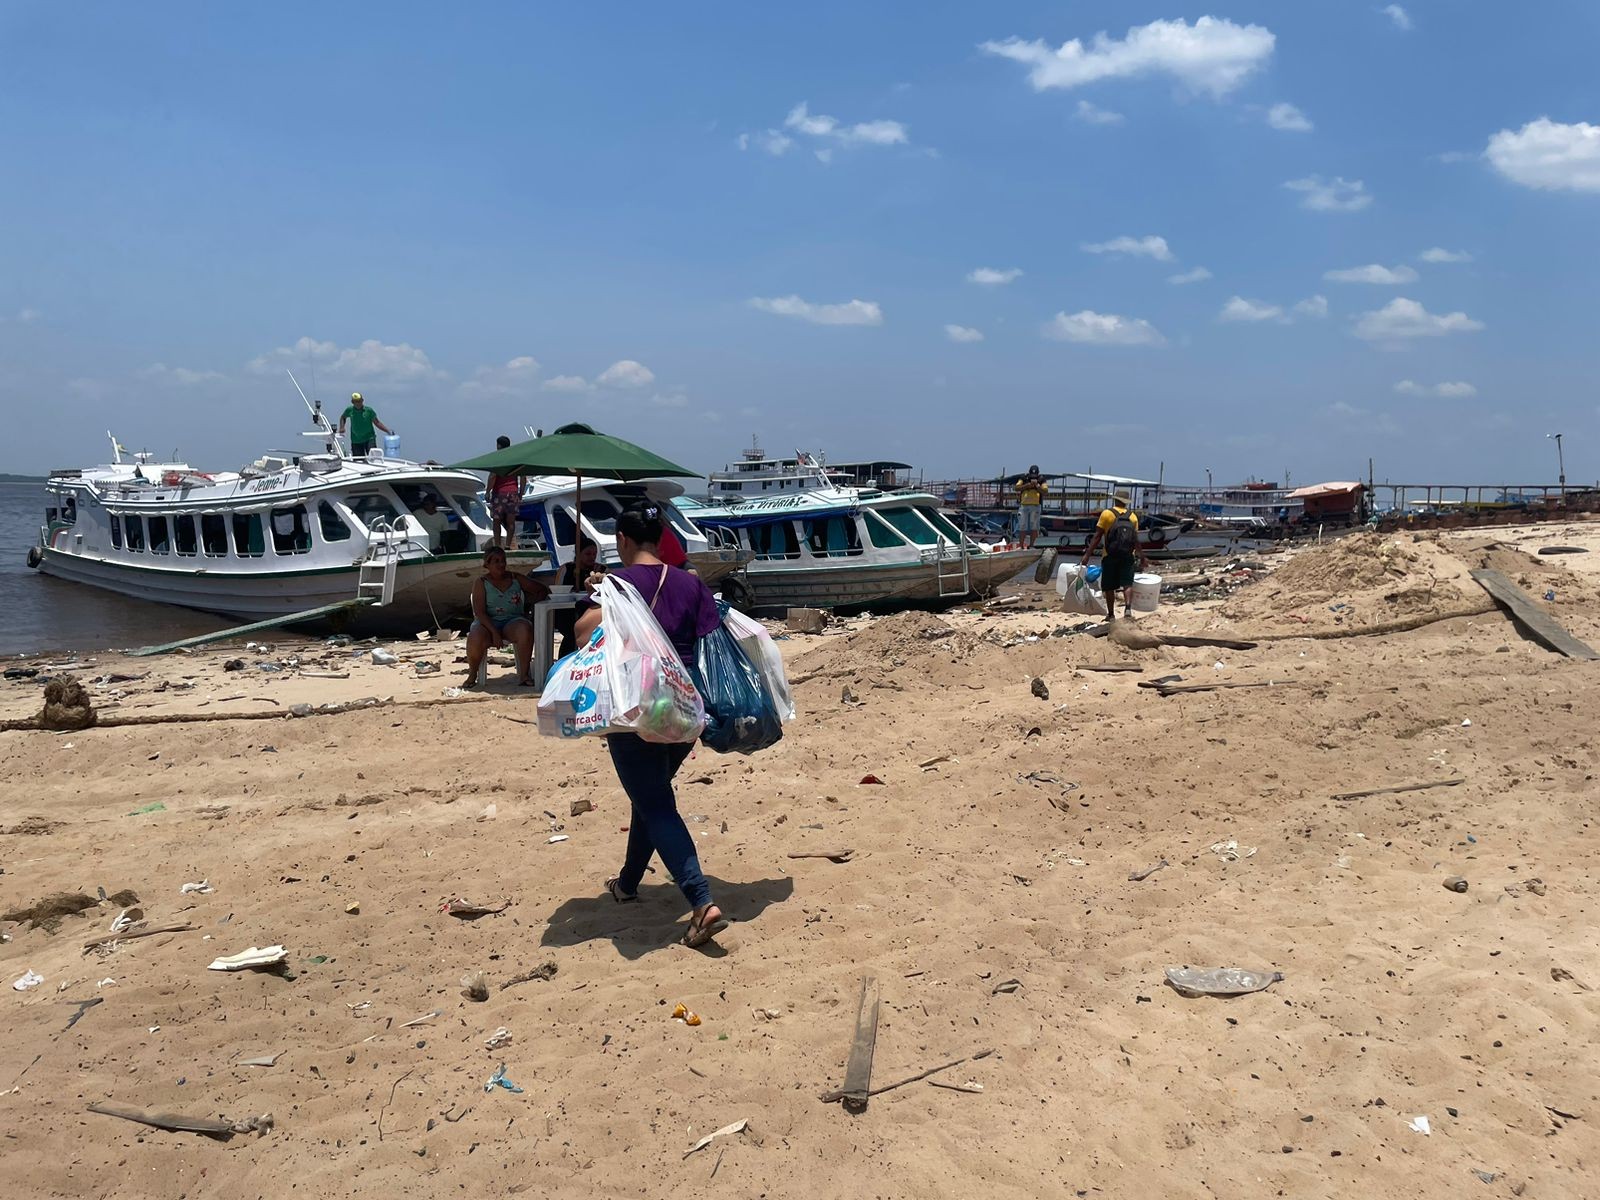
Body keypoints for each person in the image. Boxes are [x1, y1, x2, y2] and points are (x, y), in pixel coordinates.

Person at [572, 502, 725, 948]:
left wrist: (604, 597)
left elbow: (583, 634)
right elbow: (706, 634)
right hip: (681, 708)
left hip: (636, 708)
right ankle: (628, 883)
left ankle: (701, 903)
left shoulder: (617, 584)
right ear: (659, 538)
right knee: (651, 794)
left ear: (621, 540)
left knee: (655, 802)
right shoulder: (690, 583)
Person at [463, 546, 549, 688]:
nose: (501, 564)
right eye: (496, 561)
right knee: (475, 635)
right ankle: (473, 674)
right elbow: (479, 612)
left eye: (503, 560)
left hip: (512, 621)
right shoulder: (481, 582)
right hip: (487, 623)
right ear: (487, 564)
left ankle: (524, 675)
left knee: (525, 628)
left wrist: (529, 607)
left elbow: (541, 590)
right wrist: (494, 632)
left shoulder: (515, 578)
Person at [1080, 493, 1149, 620]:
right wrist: (1142, 557)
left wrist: (1087, 555)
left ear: (1115, 500)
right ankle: (1127, 609)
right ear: (1126, 502)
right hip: (1128, 555)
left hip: (1109, 555)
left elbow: (1097, 536)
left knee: (1109, 586)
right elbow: (1135, 540)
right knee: (1127, 584)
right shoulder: (1133, 517)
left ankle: (1111, 614)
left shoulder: (1107, 514)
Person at [553, 536, 602, 659]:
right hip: (567, 613)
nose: (592, 557)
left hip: (591, 611)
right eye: (588, 554)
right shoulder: (566, 569)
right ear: (578, 554)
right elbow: (558, 590)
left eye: (594, 554)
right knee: (570, 634)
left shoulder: (601, 571)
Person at [486, 435, 524, 548]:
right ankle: (507, 545)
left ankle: (498, 546)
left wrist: (488, 491)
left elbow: (493, 476)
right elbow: (523, 478)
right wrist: (520, 493)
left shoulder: (498, 458)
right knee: (511, 522)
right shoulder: (515, 459)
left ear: (498, 445)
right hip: (513, 493)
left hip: (499, 493)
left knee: (497, 521)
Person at [338, 393, 393, 459]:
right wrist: (342, 427)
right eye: (356, 401)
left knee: (373, 459)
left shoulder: (369, 411)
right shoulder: (349, 410)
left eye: (359, 401)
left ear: (362, 400)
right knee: (358, 461)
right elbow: (343, 417)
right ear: (352, 402)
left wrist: (387, 430)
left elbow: (377, 422)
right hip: (356, 440)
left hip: (369, 438)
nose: (358, 403)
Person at [1014, 466, 1048, 549]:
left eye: (1034, 476)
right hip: (1024, 505)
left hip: (1035, 505)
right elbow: (1016, 487)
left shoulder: (1041, 479)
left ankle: (1032, 545)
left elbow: (1045, 491)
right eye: (1032, 476)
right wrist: (1027, 486)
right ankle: (1021, 545)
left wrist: (1037, 486)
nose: (1033, 478)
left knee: (1034, 526)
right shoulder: (1024, 478)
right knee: (1022, 526)